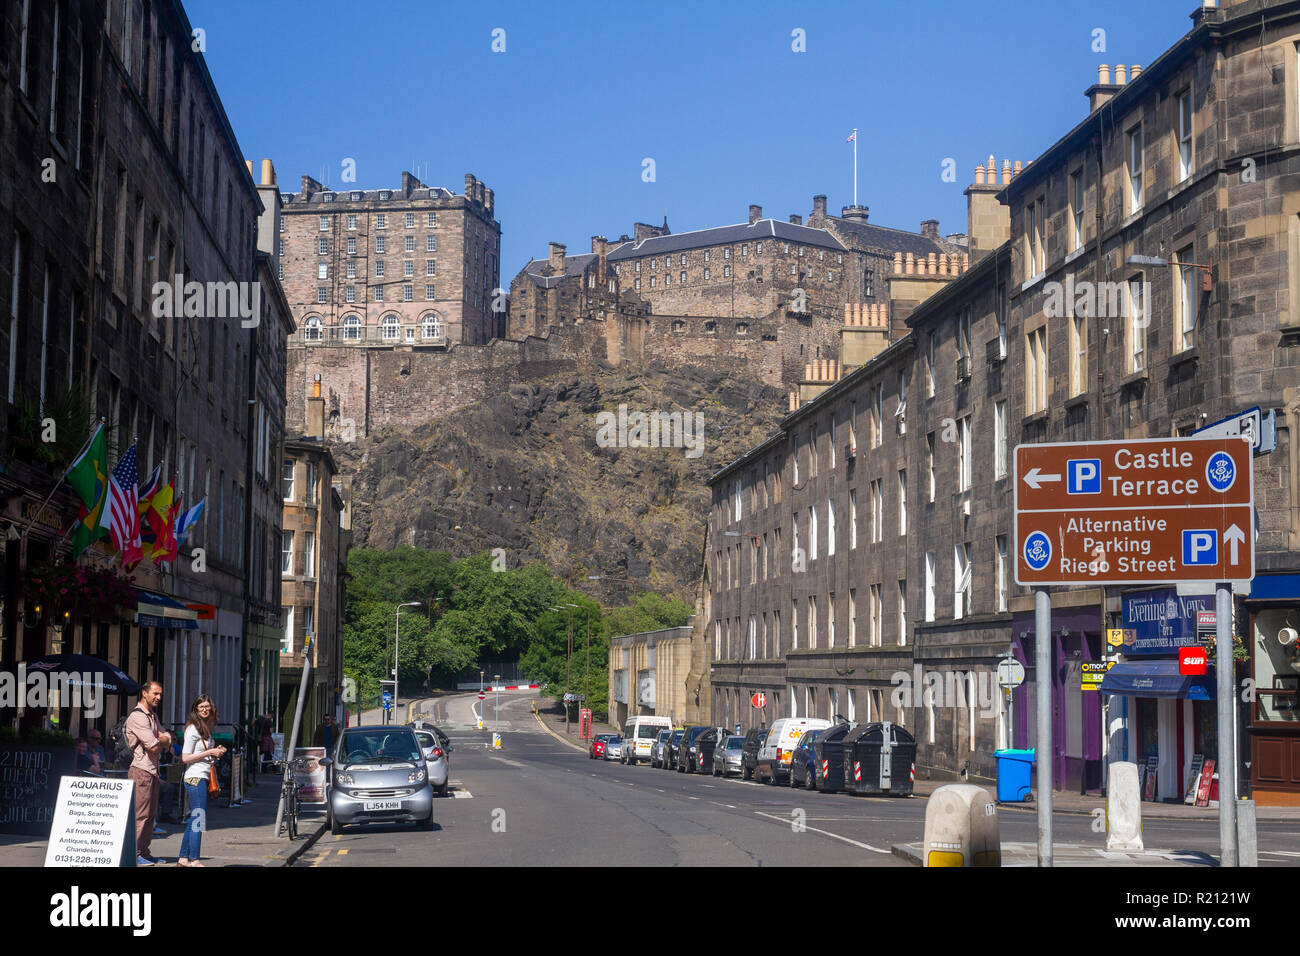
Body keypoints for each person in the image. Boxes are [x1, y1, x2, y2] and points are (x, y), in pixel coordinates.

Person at [123, 681, 173, 865]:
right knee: (140, 815)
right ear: (144, 693)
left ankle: (144, 852)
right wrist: (162, 740)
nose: (158, 697)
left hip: (152, 771)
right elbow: (153, 746)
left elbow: (167, 737)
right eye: (155, 693)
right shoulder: (138, 716)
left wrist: (163, 739)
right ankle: (134, 855)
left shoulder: (151, 715)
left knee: (151, 816)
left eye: (160, 694)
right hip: (141, 770)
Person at [178, 694, 226, 867]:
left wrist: (216, 751)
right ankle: (195, 860)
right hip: (195, 777)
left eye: (207, 707)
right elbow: (185, 757)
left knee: (194, 818)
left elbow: (204, 754)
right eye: (201, 707)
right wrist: (209, 752)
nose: (205, 710)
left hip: (202, 776)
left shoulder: (205, 728)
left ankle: (183, 859)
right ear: (195, 710)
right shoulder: (192, 729)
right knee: (199, 817)